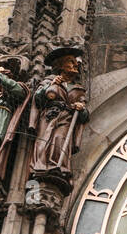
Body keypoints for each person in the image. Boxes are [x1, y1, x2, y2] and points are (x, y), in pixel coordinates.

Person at [30, 46, 88, 177]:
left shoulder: (78, 89)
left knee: (59, 140)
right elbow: (37, 99)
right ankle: (40, 166)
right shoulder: (49, 81)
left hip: (66, 118)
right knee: (44, 140)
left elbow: (84, 116)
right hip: (48, 117)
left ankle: (58, 167)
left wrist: (81, 108)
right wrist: (51, 85)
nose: (76, 64)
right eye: (71, 61)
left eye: (75, 62)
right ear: (61, 65)